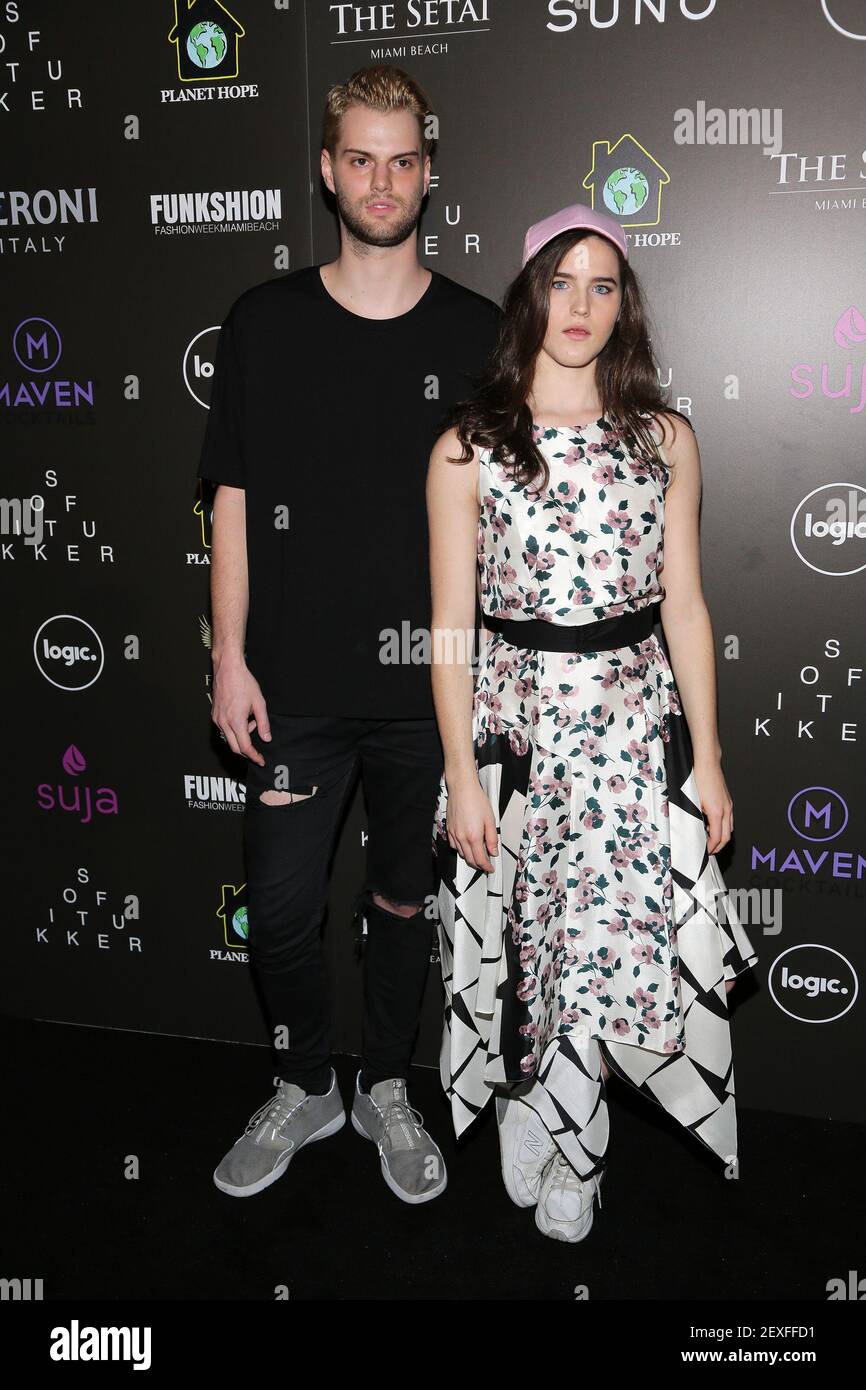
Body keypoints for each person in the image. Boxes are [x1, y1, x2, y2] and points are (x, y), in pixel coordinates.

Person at [197, 65, 500, 1205]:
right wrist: (226, 655)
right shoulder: (263, 322)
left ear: (429, 172)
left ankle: (386, 1086)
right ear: (326, 171)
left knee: (401, 907)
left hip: (430, 694)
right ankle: (307, 1080)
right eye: (359, 159)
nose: (383, 180)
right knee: (277, 909)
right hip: (291, 689)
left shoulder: (480, 331)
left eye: (403, 160)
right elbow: (229, 498)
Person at [427, 202, 758, 1242]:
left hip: (628, 732)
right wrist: (461, 776)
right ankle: (540, 1102)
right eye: (559, 282)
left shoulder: (661, 439)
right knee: (535, 944)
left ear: (624, 306)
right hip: (515, 734)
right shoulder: (465, 448)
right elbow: (446, 631)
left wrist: (706, 760)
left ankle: (575, 1138)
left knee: (614, 949)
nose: (579, 305)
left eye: (601, 284)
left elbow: (686, 607)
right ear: (529, 295)